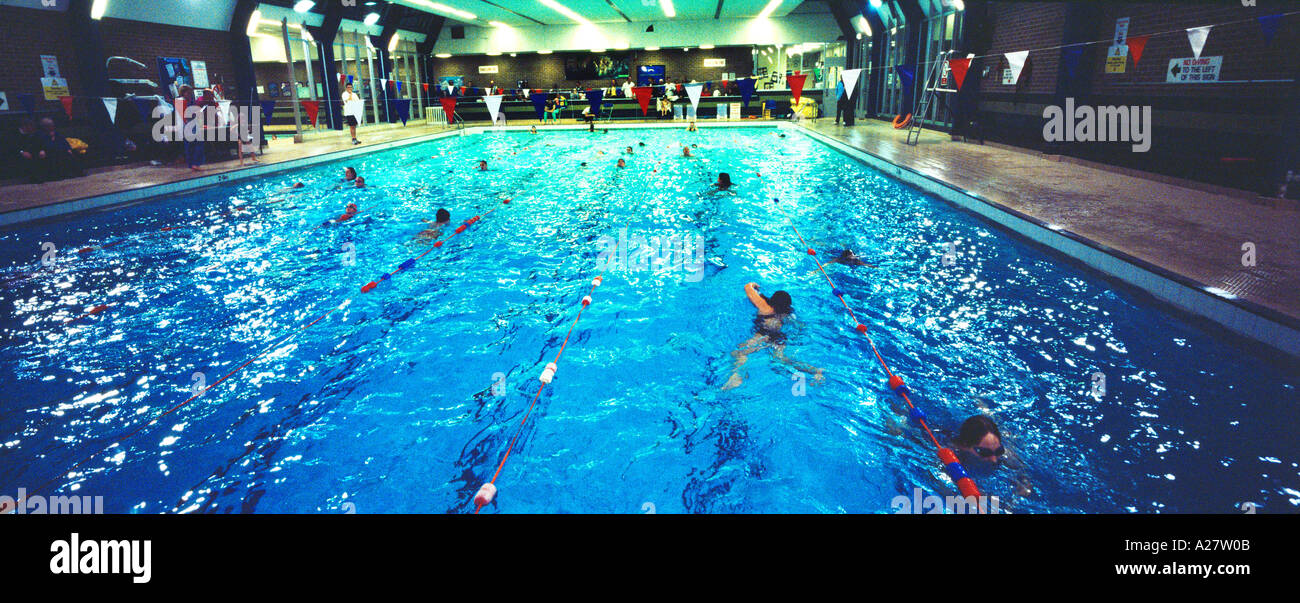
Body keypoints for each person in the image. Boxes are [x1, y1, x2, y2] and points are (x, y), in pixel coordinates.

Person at [723, 282, 823, 390]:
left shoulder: (765, 307)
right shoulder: (789, 314)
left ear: (772, 300)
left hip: (762, 335)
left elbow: (747, 287)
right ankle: (815, 371)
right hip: (779, 338)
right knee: (781, 359)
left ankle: (737, 374)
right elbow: (799, 327)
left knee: (739, 353)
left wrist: (753, 285)